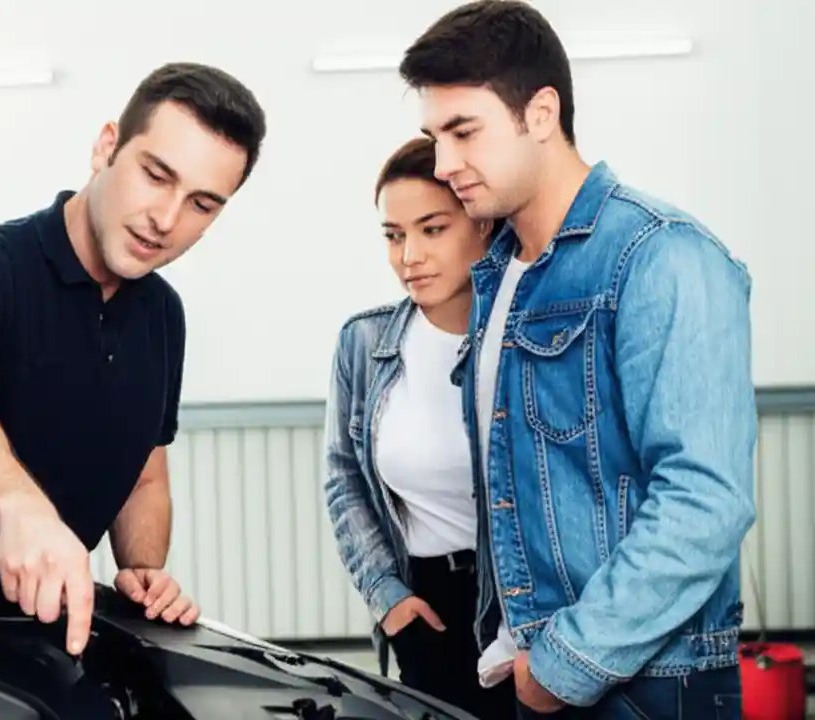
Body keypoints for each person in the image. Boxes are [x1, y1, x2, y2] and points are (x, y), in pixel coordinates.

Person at [399, 1, 757, 717]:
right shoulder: (502, 272)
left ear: (540, 113)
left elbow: (705, 501)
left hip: (650, 686)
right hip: (531, 673)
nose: (444, 164)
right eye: (433, 136)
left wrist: (565, 663)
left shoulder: (661, 255)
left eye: (464, 131)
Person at [0, 62, 267, 657]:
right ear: (107, 148)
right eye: (156, 175)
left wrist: (143, 568)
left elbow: (145, 474)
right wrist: (20, 508)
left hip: (48, 631)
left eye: (202, 204)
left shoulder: (163, 315)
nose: (167, 219)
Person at [323, 137, 515, 719]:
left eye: (432, 229)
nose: (409, 255)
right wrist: (390, 599)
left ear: (481, 225)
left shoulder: (523, 340)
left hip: (525, 609)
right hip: (425, 607)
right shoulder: (364, 342)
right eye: (394, 235)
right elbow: (344, 478)